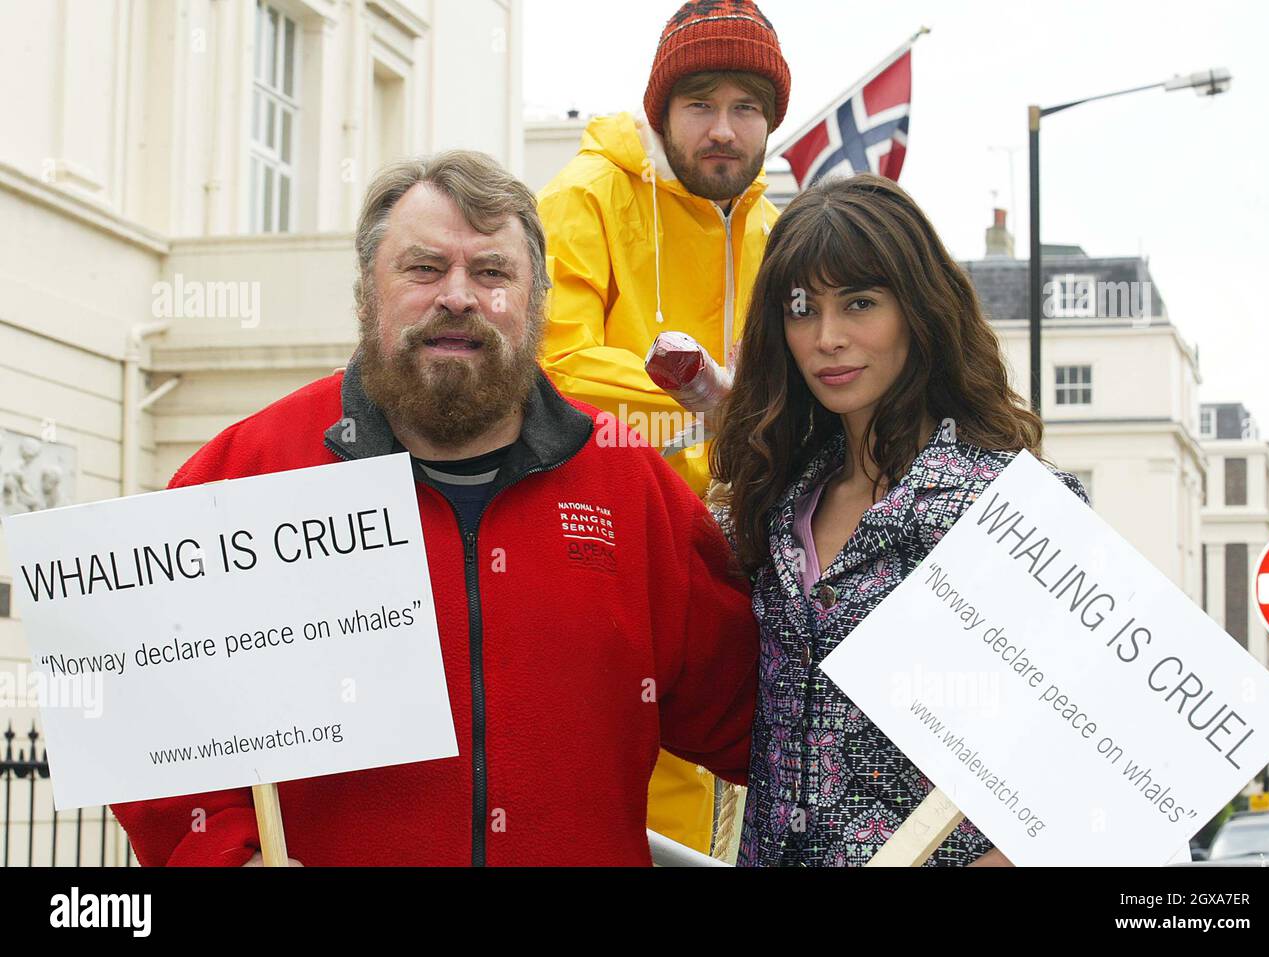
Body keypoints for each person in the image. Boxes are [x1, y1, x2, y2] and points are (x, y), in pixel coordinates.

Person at [110, 151, 758, 866]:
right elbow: (148, 711)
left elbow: (757, 718)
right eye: (424, 268)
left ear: (536, 297)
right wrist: (225, 858)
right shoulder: (250, 472)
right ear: (367, 291)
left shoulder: (628, 483)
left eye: (491, 272)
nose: (459, 296)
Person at [709, 172, 1090, 866]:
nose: (828, 337)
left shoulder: (1003, 506)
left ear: (917, 309)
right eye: (802, 309)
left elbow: (1094, 750)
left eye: (859, 303)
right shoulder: (772, 500)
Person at [536, 0, 788, 853]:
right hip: (616, 541)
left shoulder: (779, 230)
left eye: (746, 106)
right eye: (700, 103)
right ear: (660, 108)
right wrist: (706, 400)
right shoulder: (585, 196)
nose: (724, 128)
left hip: (744, 551)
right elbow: (555, 368)